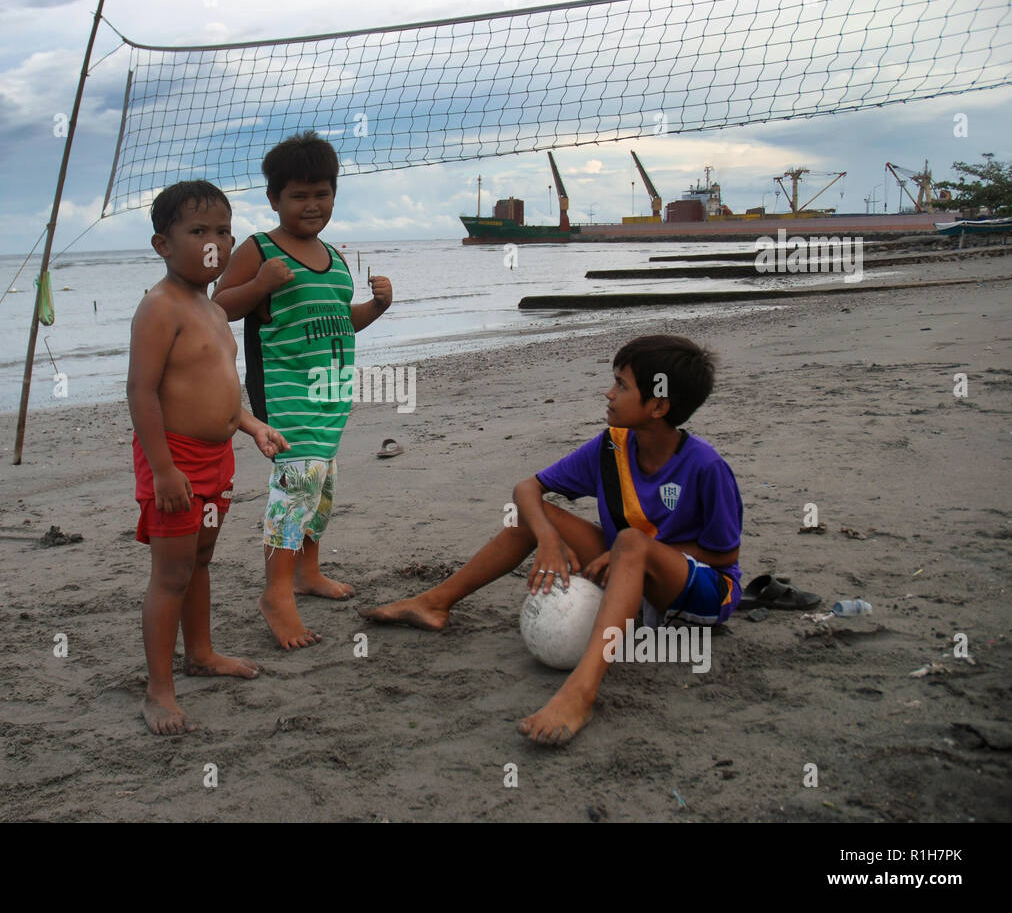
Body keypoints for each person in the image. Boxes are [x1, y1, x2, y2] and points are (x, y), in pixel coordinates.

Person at [361, 335, 743, 746]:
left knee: (631, 541)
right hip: (630, 576)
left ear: (659, 406)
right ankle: (434, 604)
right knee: (538, 518)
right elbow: (528, 488)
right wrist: (546, 539)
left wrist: (634, 553)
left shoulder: (706, 466)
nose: (608, 393)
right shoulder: (611, 447)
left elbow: (724, 556)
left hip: (697, 596)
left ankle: (580, 694)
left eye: (621, 385)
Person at [213, 132, 393, 650]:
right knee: (295, 488)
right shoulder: (259, 250)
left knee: (321, 490)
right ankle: (276, 594)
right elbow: (219, 306)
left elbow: (339, 323)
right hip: (285, 391)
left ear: (334, 195)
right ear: (274, 199)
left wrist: (376, 308)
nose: (312, 205)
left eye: (322, 194)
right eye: (299, 195)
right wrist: (261, 285)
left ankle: (307, 571)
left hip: (330, 392)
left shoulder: (334, 258)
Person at [127, 180, 290, 735]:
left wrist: (250, 424)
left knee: (200, 562)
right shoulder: (159, 308)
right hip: (174, 462)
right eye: (198, 232)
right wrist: (165, 470)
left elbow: (218, 386)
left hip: (218, 461)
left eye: (223, 230)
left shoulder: (214, 309)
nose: (215, 243)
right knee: (170, 575)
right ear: (162, 244)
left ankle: (201, 653)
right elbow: (142, 393)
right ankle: (158, 690)